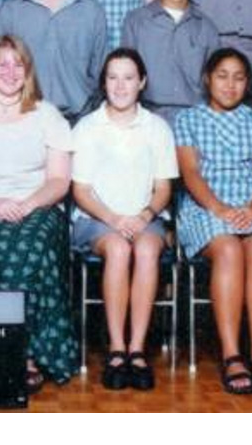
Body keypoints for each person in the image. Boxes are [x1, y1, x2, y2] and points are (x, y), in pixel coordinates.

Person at [0, 36, 78, 393]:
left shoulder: (47, 115)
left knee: (31, 247)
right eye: (1, 63)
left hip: (38, 204)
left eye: (17, 64)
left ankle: (27, 354)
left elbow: (58, 180)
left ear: (28, 71)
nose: (9, 71)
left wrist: (29, 203)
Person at [174, 48, 252, 395]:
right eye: (222, 75)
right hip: (205, 205)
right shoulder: (187, 119)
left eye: (239, 77)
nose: (230, 84)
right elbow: (190, 173)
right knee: (228, 250)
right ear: (208, 78)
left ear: (247, 83)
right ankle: (232, 354)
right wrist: (219, 209)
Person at [70, 48, 176, 391]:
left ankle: (137, 350)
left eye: (128, 78)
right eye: (113, 77)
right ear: (103, 82)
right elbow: (81, 190)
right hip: (98, 218)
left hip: (146, 217)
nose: (120, 85)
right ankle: (116, 348)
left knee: (145, 251)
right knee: (118, 249)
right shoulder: (87, 127)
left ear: (141, 82)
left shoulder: (157, 127)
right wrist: (115, 219)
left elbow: (163, 188)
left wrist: (144, 215)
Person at [121, 0, 220, 126]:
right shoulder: (136, 22)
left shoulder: (207, 28)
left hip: (196, 121)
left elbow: (215, 85)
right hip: (145, 121)